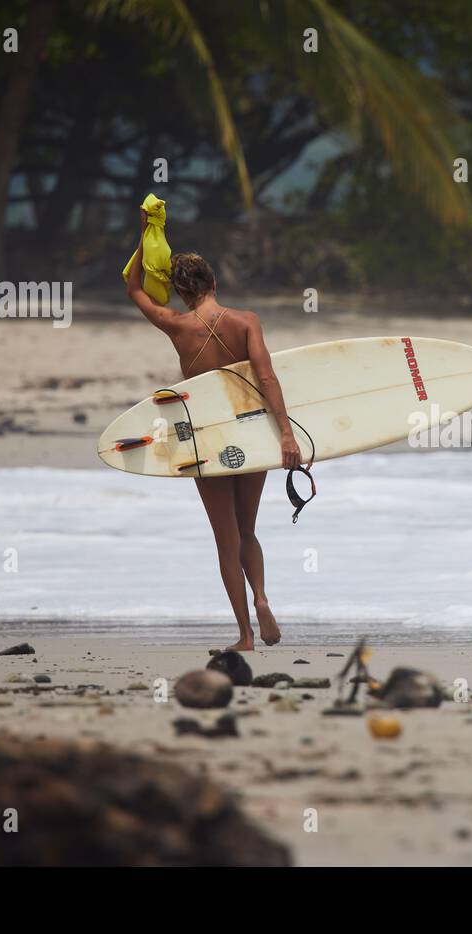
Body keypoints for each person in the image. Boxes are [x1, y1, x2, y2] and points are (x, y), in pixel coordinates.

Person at [124, 211, 301, 651]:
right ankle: (262, 598)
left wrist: (148, 236)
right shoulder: (246, 322)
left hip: (207, 441)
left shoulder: (175, 325)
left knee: (226, 541)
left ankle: (245, 635)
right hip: (250, 433)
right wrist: (286, 435)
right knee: (249, 531)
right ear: (214, 282)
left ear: (181, 291)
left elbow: (132, 286)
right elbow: (268, 377)